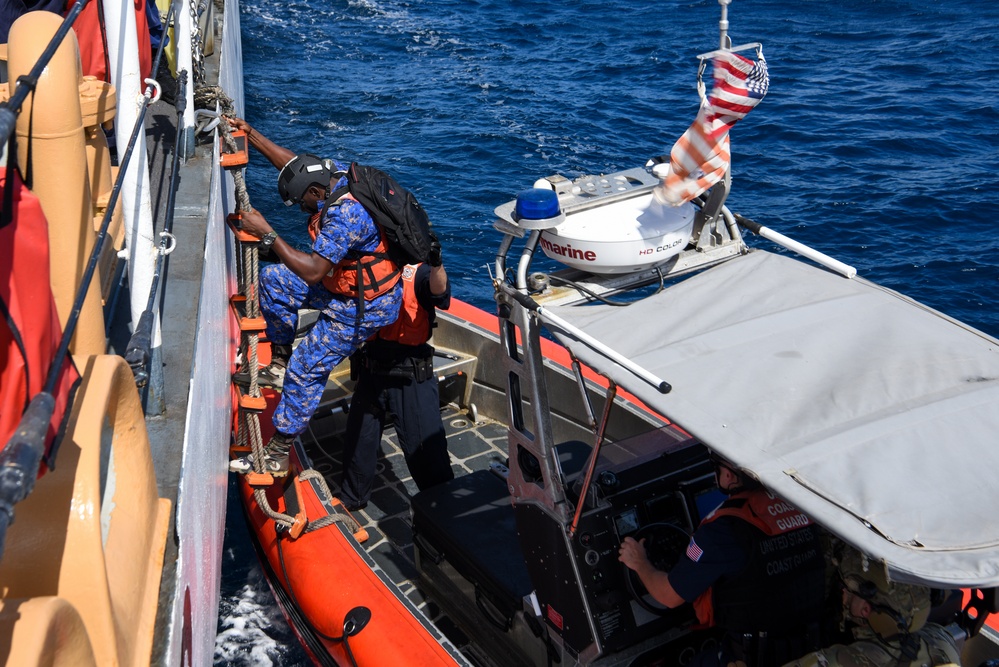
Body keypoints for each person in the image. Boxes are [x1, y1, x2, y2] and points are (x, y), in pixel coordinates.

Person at [228, 118, 403, 477]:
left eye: (303, 205)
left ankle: (278, 450)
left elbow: (311, 271)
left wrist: (267, 233)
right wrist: (252, 134)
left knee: (307, 368)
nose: (305, 210)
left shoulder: (344, 216)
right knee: (274, 281)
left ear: (315, 195)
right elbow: (294, 166)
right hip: (344, 284)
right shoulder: (333, 176)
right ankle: (278, 361)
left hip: (363, 306)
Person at [619, 452, 827, 667]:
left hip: (756, 658)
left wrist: (640, 563)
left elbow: (669, 597)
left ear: (728, 475)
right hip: (811, 647)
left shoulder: (720, 531)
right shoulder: (798, 506)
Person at [338, 254, 455, 511]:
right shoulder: (366, 265)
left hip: (410, 377)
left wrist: (436, 263)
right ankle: (351, 500)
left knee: (426, 453)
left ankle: (445, 512)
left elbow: (439, 294)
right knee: (358, 443)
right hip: (371, 370)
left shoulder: (419, 272)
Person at [782, 545, 961, 667]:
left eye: (849, 591)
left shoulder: (837, 660)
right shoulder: (942, 640)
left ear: (865, 610)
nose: (843, 595)